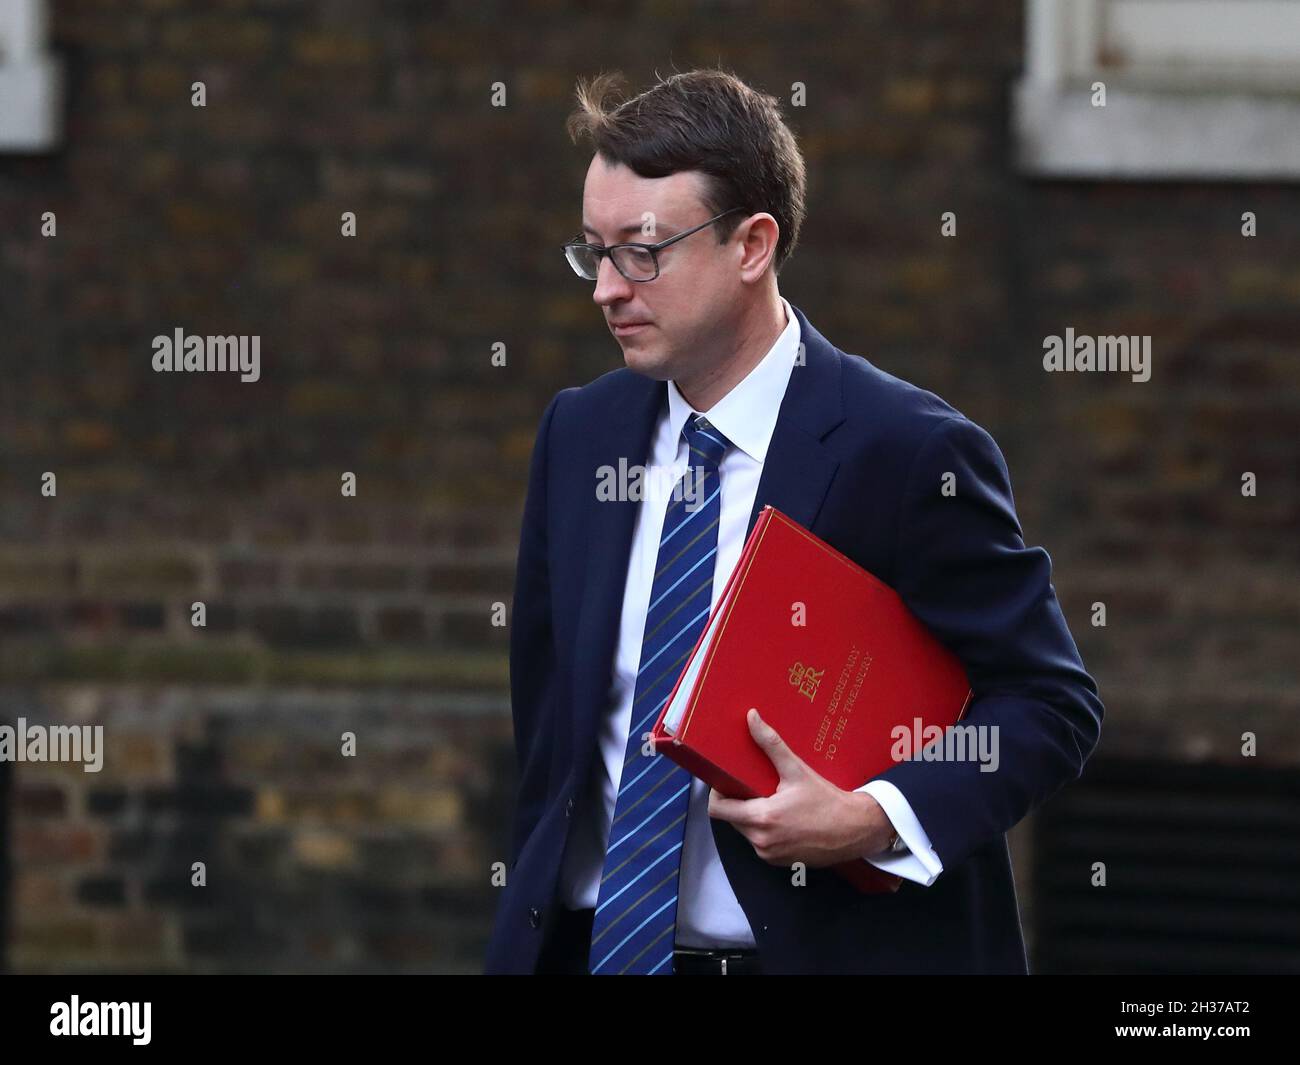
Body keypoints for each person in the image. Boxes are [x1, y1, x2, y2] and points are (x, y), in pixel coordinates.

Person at [483, 68, 1103, 975]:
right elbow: (552, 737)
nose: (606, 290)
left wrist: (874, 815)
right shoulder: (581, 434)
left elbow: (1049, 704)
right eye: (593, 252)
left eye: (642, 252)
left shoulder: (909, 451)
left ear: (752, 244)